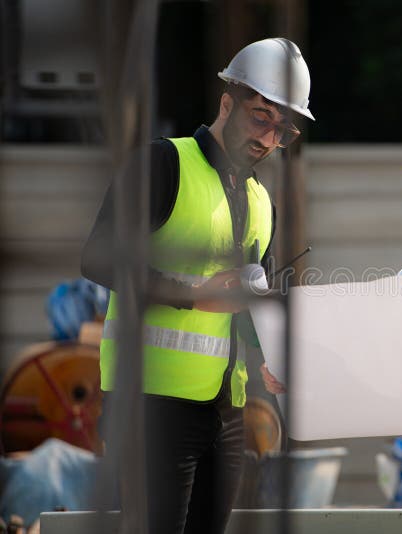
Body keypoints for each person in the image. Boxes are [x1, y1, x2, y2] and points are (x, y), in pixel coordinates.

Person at [81, 37, 314, 534]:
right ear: (227, 102)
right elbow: (98, 258)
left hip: (226, 412)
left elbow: (247, 304)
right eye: (261, 116)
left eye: (283, 129)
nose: (269, 138)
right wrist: (192, 296)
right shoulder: (162, 163)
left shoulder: (261, 202)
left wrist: (272, 355)